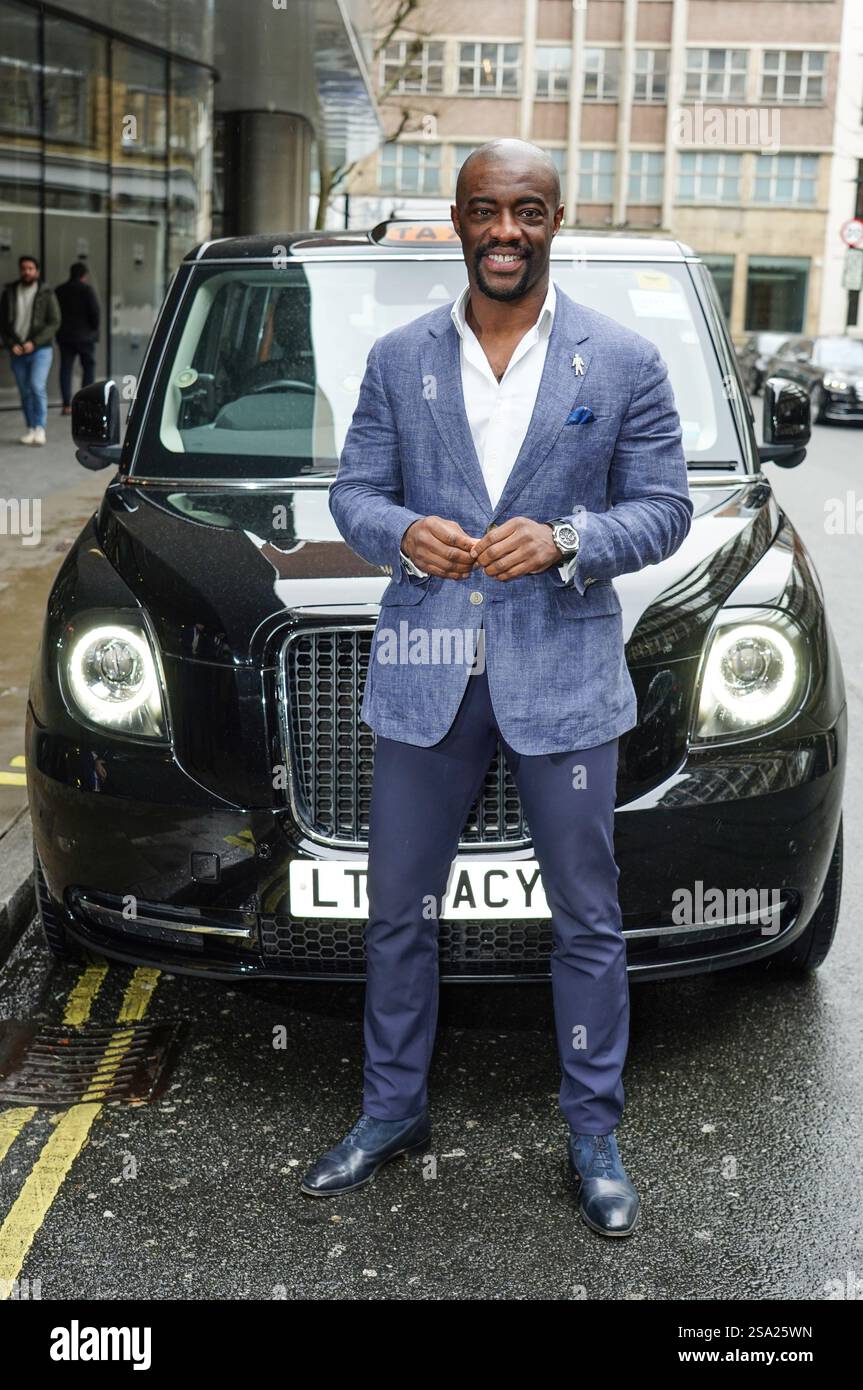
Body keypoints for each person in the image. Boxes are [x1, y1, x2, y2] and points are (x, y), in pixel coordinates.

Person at [309, 139, 694, 1238]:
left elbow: (662, 508)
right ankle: (391, 1112)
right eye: (486, 210)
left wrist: (570, 536)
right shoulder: (397, 358)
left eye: (527, 211)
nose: (505, 231)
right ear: (459, 218)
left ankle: (591, 1133)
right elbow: (354, 493)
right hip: (427, 667)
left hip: (561, 671)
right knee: (397, 911)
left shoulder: (619, 361)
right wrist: (400, 533)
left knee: (584, 919)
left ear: (553, 220)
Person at [0, 254, 61, 445]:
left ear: (37, 271)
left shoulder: (46, 292)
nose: (27, 272)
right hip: (17, 350)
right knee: (25, 391)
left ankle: (40, 428)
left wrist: (34, 342)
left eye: (30, 268)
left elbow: (54, 321)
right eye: (23, 268)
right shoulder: (10, 292)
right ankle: (31, 428)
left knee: (36, 386)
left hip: (40, 349)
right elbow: (2, 323)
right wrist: (11, 344)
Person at [55, 262, 100, 414]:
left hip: (65, 336)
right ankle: (85, 403)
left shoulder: (59, 290)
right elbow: (95, 313)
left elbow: (55, 314)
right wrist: (94, 330)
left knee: (66, 369)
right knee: (88, 368)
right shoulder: (87, 290)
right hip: (85, 337)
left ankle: (66, 405)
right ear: (84, 275)